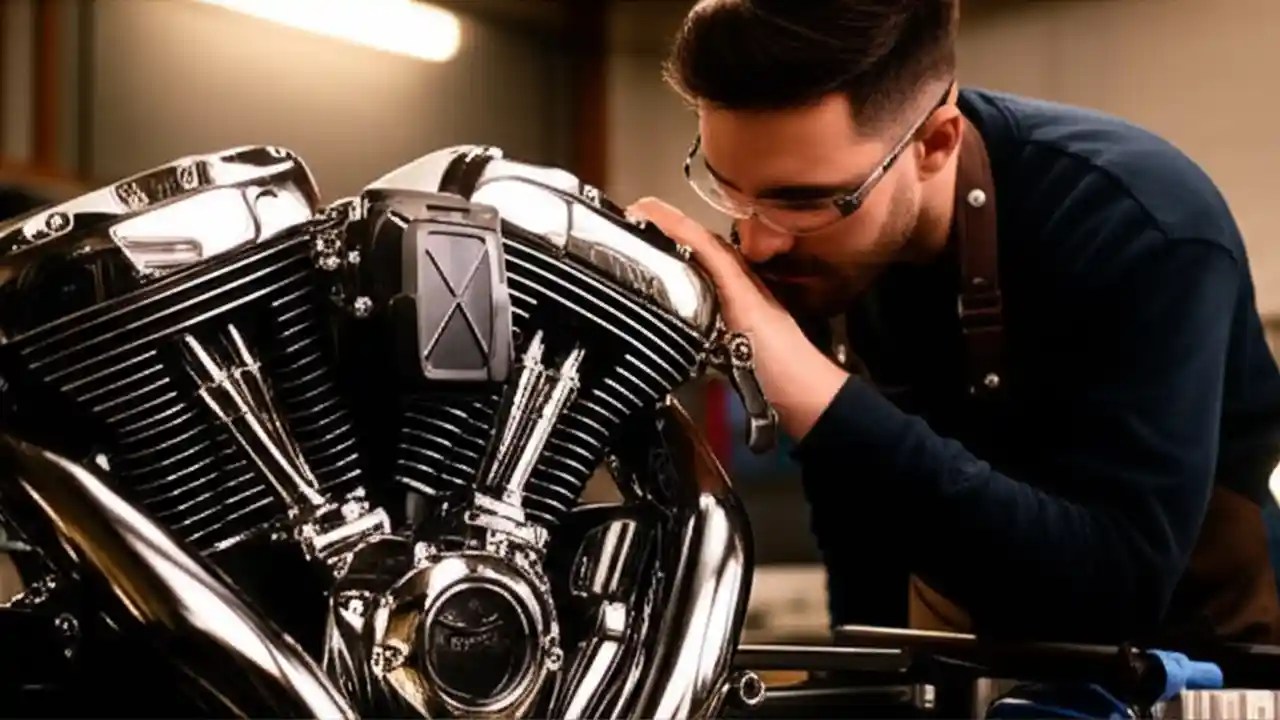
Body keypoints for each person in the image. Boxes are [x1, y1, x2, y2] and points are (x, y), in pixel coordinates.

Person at [627, 0, 1280, 648]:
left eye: (805, 202)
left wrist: (804, 386)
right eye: (728, 189)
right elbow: (860, 551)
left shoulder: (1140, 226)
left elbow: (1118, 590)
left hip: (1200, 667)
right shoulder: (818, 259)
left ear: (936, 144)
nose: (757, 242)